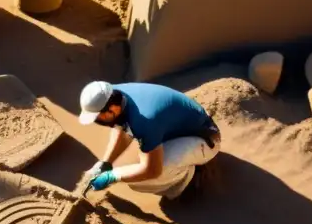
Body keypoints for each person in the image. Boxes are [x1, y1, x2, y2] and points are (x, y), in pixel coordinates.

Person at [77, 80, 221, 200]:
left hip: (206, 140)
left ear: (112, 109)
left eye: (97, 117)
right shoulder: (114, 95)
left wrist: (112, 176)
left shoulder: (144, 119)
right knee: (140, 163)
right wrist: (106, 163)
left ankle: (188, 178)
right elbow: (122, 127)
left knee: (144, 179)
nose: (96, 121)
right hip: (178, 129)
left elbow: (151, 170)